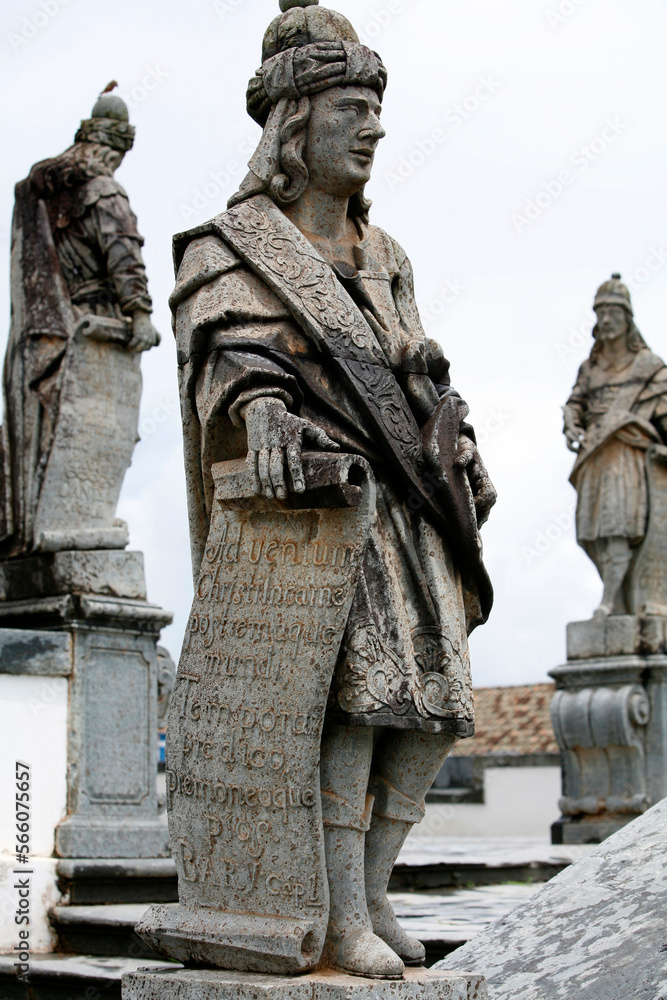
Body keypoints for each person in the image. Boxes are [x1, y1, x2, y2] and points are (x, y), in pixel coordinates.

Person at [170, 0, 495, 978]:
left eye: (375, 110)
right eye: (351, 106)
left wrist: (458, 434)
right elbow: (225, 356)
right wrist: (261, 413)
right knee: (357, 701)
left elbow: (420, 370)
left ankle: (377, 887)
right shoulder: (230, 245)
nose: (373, 127)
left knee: (434, 710)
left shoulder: (387, 255)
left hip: (413, 502)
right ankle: (336, 913)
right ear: (293, 119)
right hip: (325, 509)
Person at [1, 89, 159, 556]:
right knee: (103, 432)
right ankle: (77, 523)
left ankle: (35, 530)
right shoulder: (102, 188)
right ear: (115, 148)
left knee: (44, 436)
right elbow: (122, 250)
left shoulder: (35, 193)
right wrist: (140, 314)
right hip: (98, 329)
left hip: (41, 330)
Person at [564, 274, 667, 617]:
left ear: (628, 319)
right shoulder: (589, 368)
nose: (606, 320)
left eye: (613, 313)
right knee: (593, 535)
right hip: (594, 456)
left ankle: (609, 603)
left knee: (618, 527)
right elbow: (575, 403)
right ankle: (620, 601)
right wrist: (571, 422)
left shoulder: (649, 367)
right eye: (600, 313)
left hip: (627, 454)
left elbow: (664, 414)